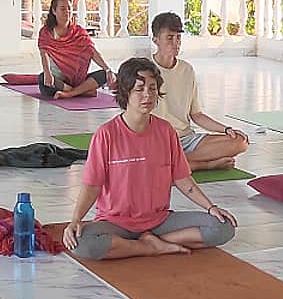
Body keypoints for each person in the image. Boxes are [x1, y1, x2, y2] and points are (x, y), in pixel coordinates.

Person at [64, 58, 237, 260]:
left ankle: (148, 243)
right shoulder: (106, 135)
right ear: (125, 92)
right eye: (139, 89)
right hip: (116, 223)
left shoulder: (166, 131)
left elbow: (182, 178)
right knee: (83, 244)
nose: (147, 95)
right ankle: (151, 247)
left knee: (222, 227)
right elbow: (91, 186)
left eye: (152, 88)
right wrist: (76, 219)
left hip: (159, 221)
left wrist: (211, 207)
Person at [150, 11, 250, 171]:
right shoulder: (144, 70)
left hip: (186, 140)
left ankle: (175, 163)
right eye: (169, 38)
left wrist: (227, 130)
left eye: (178, 38)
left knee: (240, 142)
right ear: (155, 40)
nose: (175, 43)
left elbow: (196, 115)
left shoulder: (187, 70)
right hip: (156, 143)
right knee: (150, 157)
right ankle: (205, 164)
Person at [37, 0, 116, 99]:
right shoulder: (46, 32)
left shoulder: (79, 31)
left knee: (104, 75)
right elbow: (44, 54)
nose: (67, 12)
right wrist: (47, 73)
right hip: (58, 78)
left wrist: (107, 70)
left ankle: (70, 93)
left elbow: (92, 51)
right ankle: (80, 91)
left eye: (69, 9)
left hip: (78, 79)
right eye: (63, 9)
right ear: (54, 11)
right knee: (43, 79)